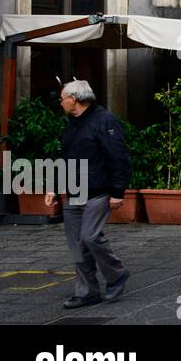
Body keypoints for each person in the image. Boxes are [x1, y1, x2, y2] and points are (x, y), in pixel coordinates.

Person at [48, 80, 131, 310]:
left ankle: (117, 274)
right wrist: (55, 187)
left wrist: (117, 192)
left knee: (90, 237)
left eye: (62, 98)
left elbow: (119, 157)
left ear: (73, 99)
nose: (60, 102)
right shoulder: (72, 124)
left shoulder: (104, 121)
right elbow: (65, 160)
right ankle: (87, 292)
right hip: (74, 193)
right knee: (77, 245)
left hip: (98, 191)